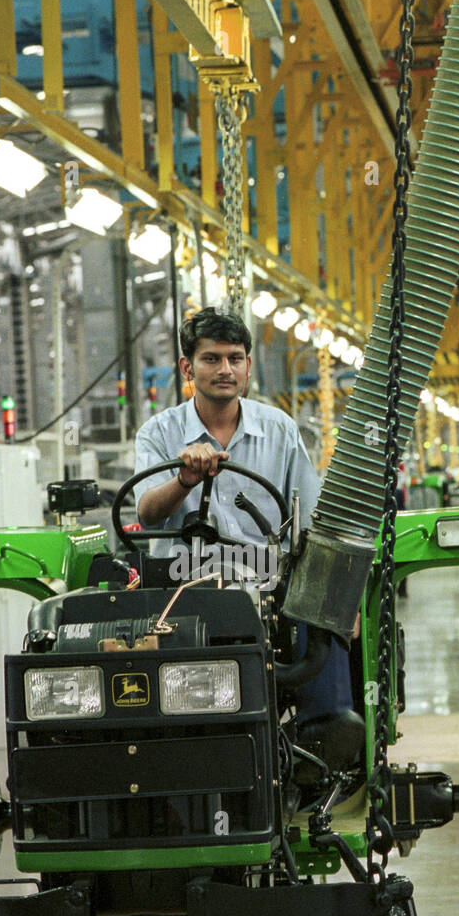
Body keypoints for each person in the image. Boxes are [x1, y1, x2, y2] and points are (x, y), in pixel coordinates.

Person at [132, 306, 358, 744]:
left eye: (235, 358)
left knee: (325, 613)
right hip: (181, 591)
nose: (224, 369)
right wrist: (185, 479)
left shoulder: (279, 430)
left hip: (266, 586)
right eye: (211, 358)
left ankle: (324, 739)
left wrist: (341, 601)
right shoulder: (158, 434)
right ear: (187, 366)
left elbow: (312, 523)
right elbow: (146, 512)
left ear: (248, 366)